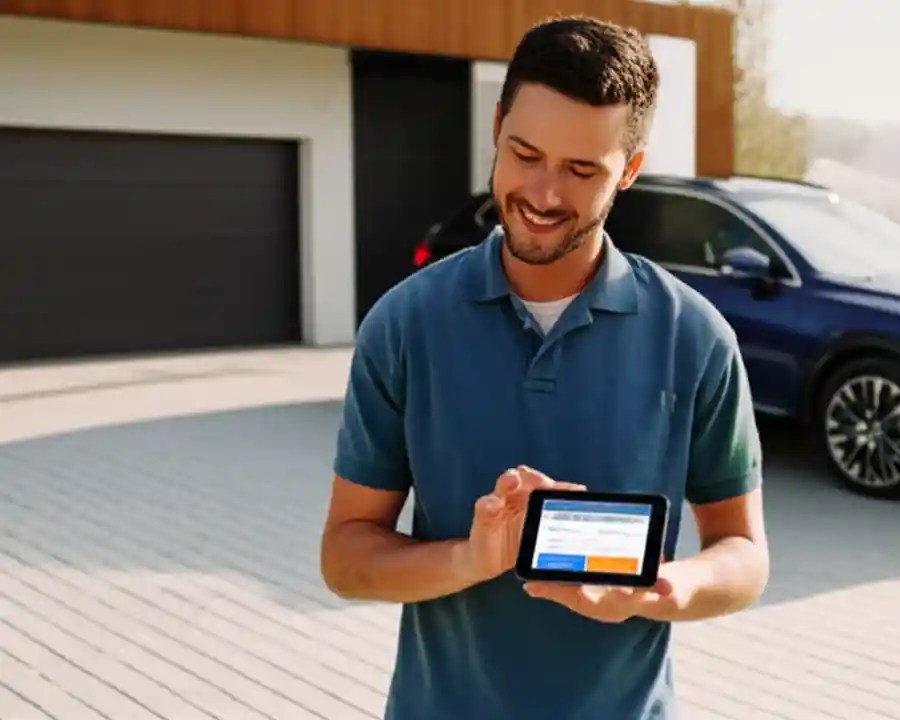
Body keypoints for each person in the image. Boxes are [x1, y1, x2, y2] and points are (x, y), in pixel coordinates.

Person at [320, 15, 769, 720]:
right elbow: (345, 558)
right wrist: (470, 559)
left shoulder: (695, 337)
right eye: (524, 152)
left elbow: (742, 552)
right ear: (497, 126)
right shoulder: (405, 324)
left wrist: (660, 591)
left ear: (629, 170)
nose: (544, 193)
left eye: (581, 169)